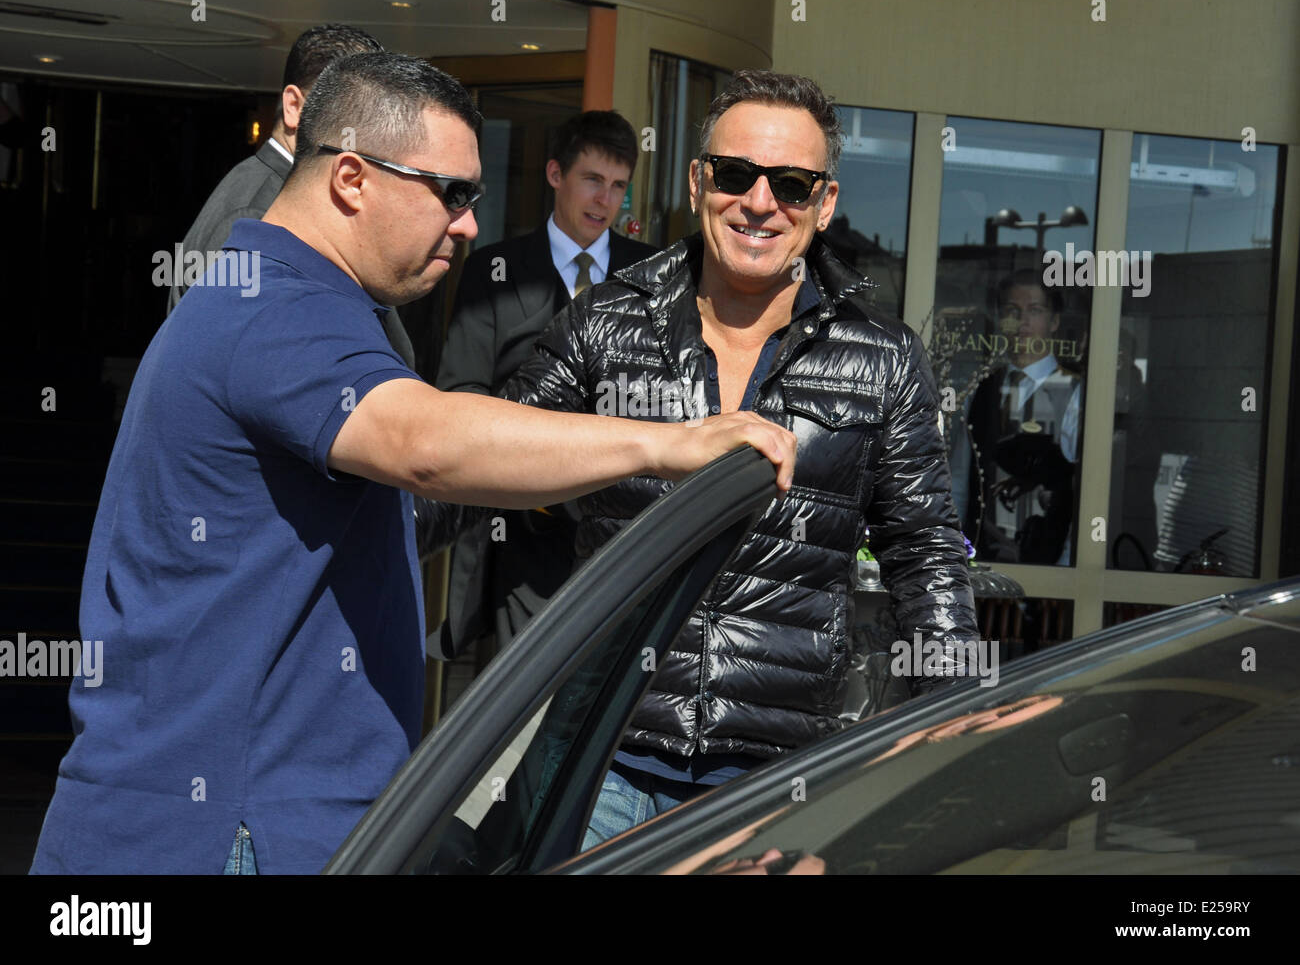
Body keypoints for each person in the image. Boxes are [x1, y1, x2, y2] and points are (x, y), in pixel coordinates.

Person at [30, 52, 795, 875]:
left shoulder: (308, 302)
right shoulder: (275, 307)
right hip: (227, 833)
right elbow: (425, 446)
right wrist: (668, 441)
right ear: (352, 178)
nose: (469, 224)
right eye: (453, 193)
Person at [470, 70, 978, 848]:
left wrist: (953, 724)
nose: (760, 203)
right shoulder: (606, 320)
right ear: (699, 180)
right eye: (737, 174)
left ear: (825, 202)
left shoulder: (884, 359)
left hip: (769, 784)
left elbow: (926, 553)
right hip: (598, 761)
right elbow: (490, 452)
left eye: (792, 184)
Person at [433, 110, 657, 659]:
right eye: (592, 180)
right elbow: (461, 398)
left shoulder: (652, 275)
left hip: (620, 539)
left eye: (618, 186)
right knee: (522, 717)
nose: (604, 201)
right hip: (520, 538)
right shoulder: (495, 270)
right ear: (556, 174)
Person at [167, 23, 416, 366]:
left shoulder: (285, 195)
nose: (364, 132)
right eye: (348, 113)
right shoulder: (253, 212)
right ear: (294, 107)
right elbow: (232, 364)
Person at [954, 270, 1082, 565]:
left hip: (1048, 565)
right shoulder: (982, 388)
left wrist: (1066, 570)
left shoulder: (1074, 392)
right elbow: (961, 479)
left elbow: (1081, 491)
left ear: (1054, 321)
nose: (1023, 322)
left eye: (1035, 310)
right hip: (985, 563)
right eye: (1013, 311)